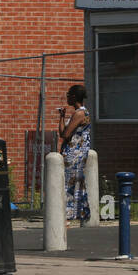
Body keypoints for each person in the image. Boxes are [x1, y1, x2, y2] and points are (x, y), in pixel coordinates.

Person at [58, 83, 91, 223]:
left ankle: (70, 214)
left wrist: (65, 124)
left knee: (69, 183)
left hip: (74, 153)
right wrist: (62, 117)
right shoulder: (82, 112)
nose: (66, 98)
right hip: (77, 152)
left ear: (73, 97)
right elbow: (62, 133)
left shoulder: (79, 113)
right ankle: (80, 212)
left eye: (68, 95)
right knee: (77, 183)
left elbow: (65, 134)